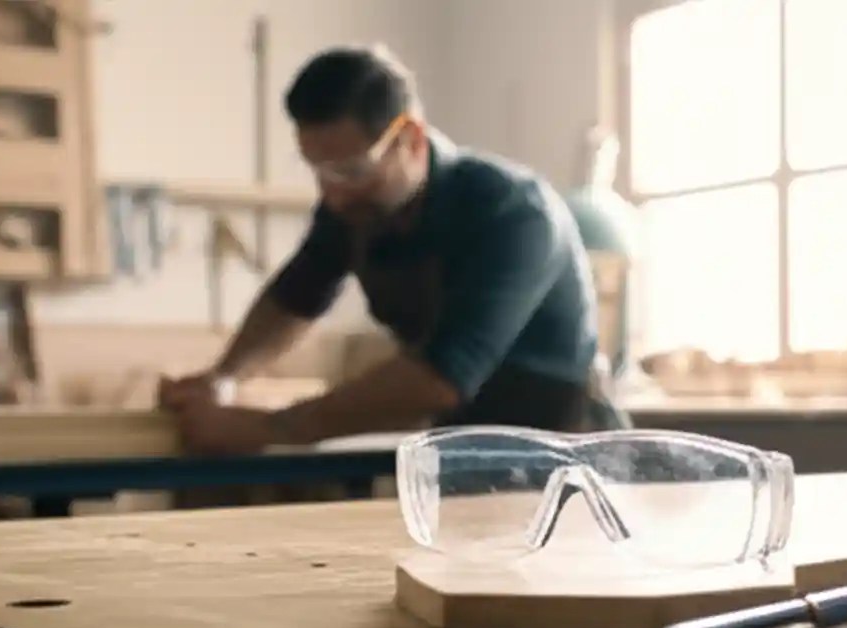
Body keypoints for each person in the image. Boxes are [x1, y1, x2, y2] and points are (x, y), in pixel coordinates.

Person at [158, 45, 627, 456]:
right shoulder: (352, 209)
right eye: (317, 170)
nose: (333, 194)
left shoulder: (513, 212)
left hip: (566, 448)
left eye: (350, 171)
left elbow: (440, 378)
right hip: (466, 445)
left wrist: (265, 428)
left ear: (410, 139)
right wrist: (222, 378)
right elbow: (296, 296)